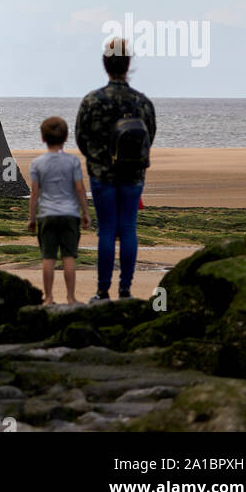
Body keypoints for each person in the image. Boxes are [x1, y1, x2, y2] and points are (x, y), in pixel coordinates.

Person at [76, 38, 156, 301]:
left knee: (107, 229)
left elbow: (81, 138)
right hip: (133, 175)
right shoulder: (142, 102)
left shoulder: (93, 101)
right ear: (128, 64)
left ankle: (102, 291)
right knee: (129, 228)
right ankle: (125, 290)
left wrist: (97, 159)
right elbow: (149, 137)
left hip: (102, 175)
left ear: (105, 64)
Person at [28, 116, 91, 306]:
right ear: (66, 138)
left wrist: (32, 218)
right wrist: (86, 212)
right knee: (68, 257)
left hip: (47, 215)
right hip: (70, 214)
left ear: (43, 138)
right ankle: (71, 297)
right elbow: (79, 189)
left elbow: (34, 194)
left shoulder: (37, 163)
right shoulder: (72, 162)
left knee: (48, 257)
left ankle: (48, 298)